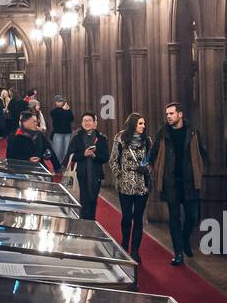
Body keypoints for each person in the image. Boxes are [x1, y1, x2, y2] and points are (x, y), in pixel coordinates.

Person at [149, 102, 207, 265]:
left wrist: (201, 168)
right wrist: (145, 167)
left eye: (172, 113)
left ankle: (185, 239)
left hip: (189, 180)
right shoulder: (163, 132)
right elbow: (152, 153)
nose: (168, 116)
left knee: (192, 216)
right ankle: (178, 253)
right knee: (174, 218)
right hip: (171, 181)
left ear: (180, 115)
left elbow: (202, 152)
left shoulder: (193, 132)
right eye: (167, 114)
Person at [108, 113, 152, 262]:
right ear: (133, 124)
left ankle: (135, 250)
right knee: (127, 217)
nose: (143, 126)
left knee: (138, 218)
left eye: (144, 124)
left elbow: (151, 159)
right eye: (140, 123)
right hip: (125, 185)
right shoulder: (120, 138)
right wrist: (120, 176)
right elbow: (113, 160)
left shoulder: (147, 141)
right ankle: (125, 244)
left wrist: (148, 169)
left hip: (142, 186)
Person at [65, 112, 109, 221]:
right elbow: (69, 156)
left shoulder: (101, 138)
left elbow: (105, 157)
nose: (87, 123)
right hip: (81, 174)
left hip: (96, 175)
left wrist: (94, 155)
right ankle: (82, 224)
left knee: (93, 201)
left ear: (95, 123)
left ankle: (91, 224)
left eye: (89, 120)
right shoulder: (77, 137)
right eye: (84, 120)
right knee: (83, 201)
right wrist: (83, 154)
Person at [49, 95, 75, 168]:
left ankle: (64, 167)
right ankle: (57, 167)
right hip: (58, 133)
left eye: (61, 101)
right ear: (55, 103)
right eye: (59, 101)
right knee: (58, 151)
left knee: (66, 151)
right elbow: (59, 118)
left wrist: (68, 110)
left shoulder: (67, 110)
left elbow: (71, 119)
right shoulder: (54, 112)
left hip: (67, 133)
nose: (60, 103)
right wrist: (65, 111)